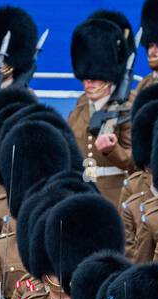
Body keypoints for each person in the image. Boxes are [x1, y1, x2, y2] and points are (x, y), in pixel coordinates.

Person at [67, 15, 135, 209]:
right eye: (86, 78)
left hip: (116, 196)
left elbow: (136, 162)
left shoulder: (128, 105)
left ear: (107, 76)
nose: (88, 83)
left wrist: (113, 151)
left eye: (94, 79)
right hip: (82, 193)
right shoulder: (81, 104)